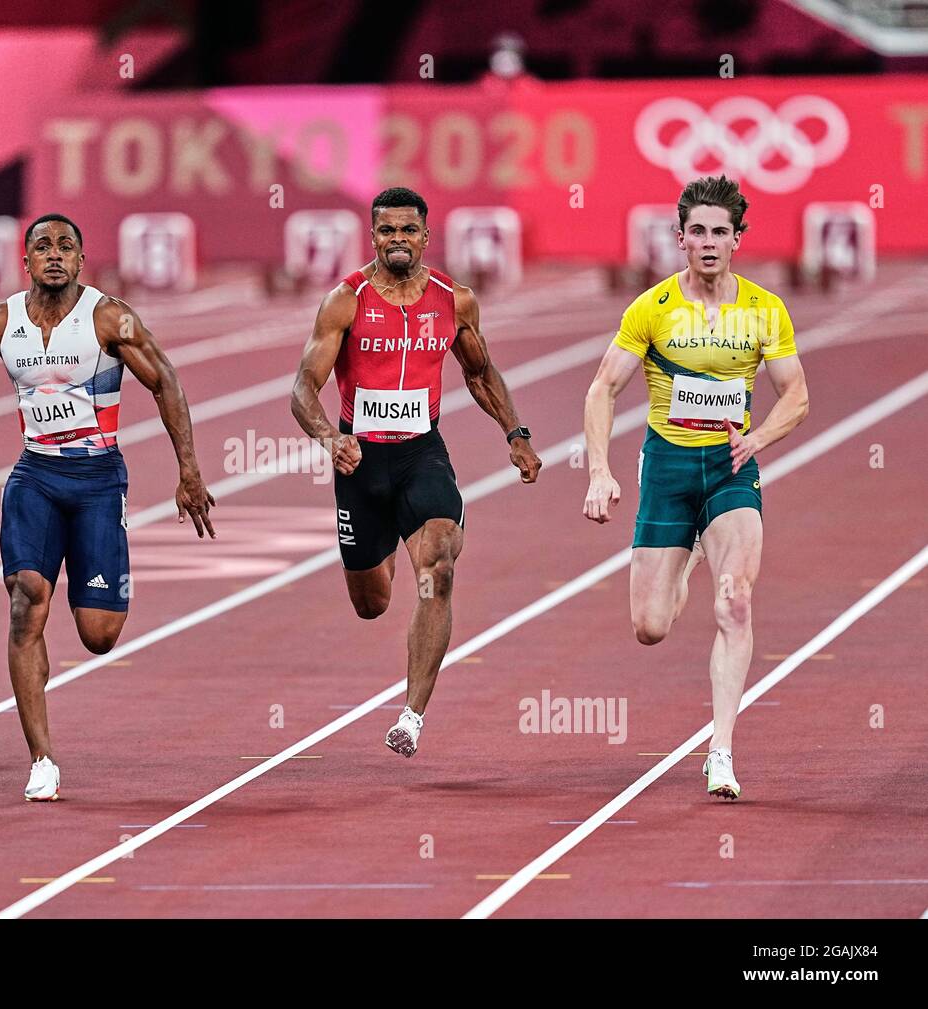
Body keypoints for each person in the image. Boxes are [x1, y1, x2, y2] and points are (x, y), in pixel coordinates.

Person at [0, 213, 216, 801]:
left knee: (98, 635)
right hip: (34, 478)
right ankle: (41, 758)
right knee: (25, 606)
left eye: (66, 245)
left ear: (81, 258)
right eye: (42, 246)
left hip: (97, 482)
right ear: (26, 262)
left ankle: (91, 583)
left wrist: (188, 470)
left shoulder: (108, 318)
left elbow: (165, 381)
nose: (55, 255)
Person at [291, 187, 541, 759]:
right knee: (371, 603)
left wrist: (516, 434)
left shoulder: (455, 300)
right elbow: (304, 385)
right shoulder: (344, 302)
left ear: (426, 237)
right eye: (386, 231)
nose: (397, 240)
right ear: (372, 236)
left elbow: (480, 374)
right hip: (361, 463)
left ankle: (411, 716)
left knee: (440, 566)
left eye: (408, 230)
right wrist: (330, 437)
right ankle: (377, 556)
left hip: (421, 454)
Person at [582, 174, 809, 800]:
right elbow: (603, 388)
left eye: (721, 233)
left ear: (739, 239)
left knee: (734, 603)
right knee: (650, 626)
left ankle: (722, 753)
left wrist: (758, 438)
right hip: (667, 468)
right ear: (680, 239)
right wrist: (599, 470)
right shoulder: (652, 310)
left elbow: (797, 394)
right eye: (698, 232)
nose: (709, 243)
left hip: (732, 470)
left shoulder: (764, 309)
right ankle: (684, 560)